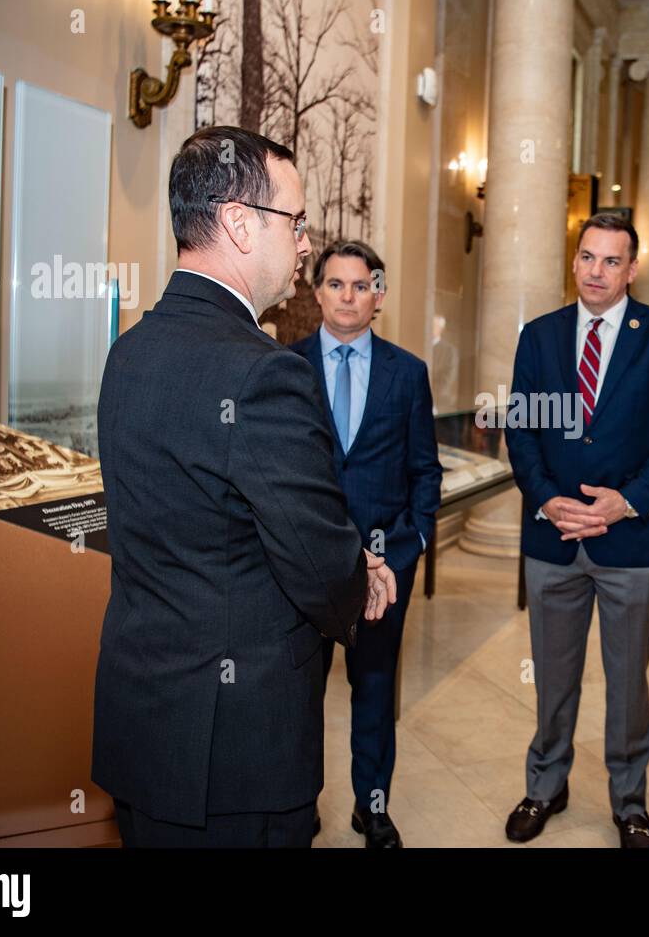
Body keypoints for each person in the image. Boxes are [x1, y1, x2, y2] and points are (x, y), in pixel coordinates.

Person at [92, 126, 396, 848]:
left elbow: (199, 528)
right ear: (237, 222)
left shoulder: (127, 353)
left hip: (143, 726)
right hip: (236, 751)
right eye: (294, 222)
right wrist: (361, 576)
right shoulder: (263, 372)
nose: (303, 244)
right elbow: (316, 558)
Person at [502, 212, 649, 848]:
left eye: (611, 261)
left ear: (632, 269)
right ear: (575, 259)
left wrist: (627, 502)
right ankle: (545, 786)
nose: (596, 271)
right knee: (553, 676)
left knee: (626, 682)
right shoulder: (540, 336)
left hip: (631, 542)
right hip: (554, 538)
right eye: (587, 257)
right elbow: (523, 431)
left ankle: (630, 801)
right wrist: (548, 500)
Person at [289, 240, 443, 848]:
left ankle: (371, 806)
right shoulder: (287, 368)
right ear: (317, 291)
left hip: (385, 573)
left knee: (374, 692)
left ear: (378, 295)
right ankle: (298, 805)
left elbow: (424, 473)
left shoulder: (408, 373)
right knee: (299, 695)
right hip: (305, 568)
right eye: (336, 284)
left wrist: (412, 547)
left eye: (362, 285)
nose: (348, 296)